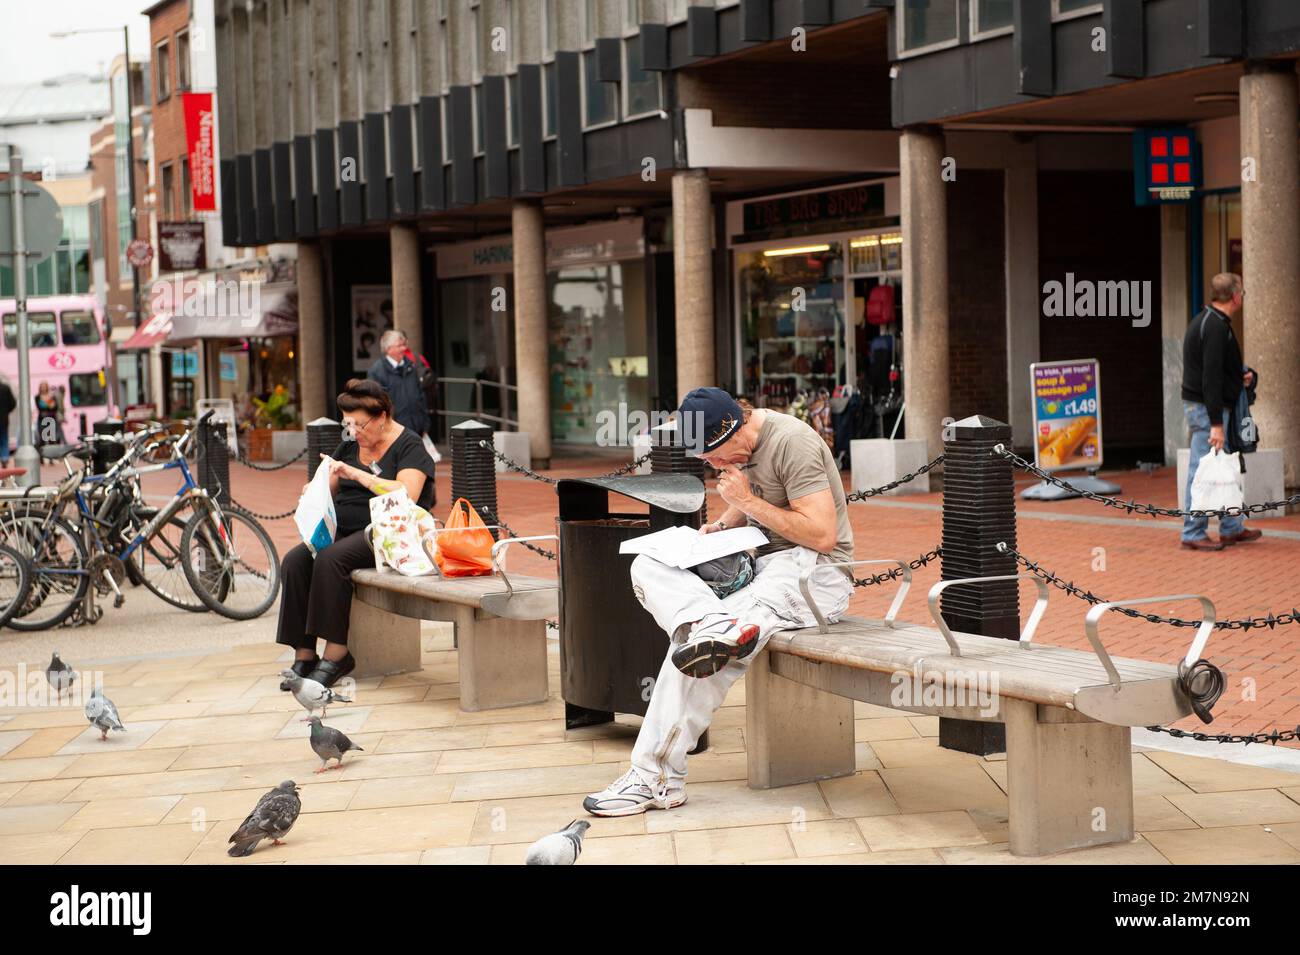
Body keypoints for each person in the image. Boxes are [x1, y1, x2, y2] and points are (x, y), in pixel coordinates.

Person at [584, 387, 856, 817]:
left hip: (814, 575)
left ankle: (655, 777)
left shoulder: (793, 443)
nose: (709, 465)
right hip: (763, 570)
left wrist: (746, 500)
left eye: (711, 455)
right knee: (646, 567)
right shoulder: (740, 448)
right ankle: (713, 624)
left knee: (694, 653)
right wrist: (720, 527)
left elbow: (822, 535)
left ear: (732, 428)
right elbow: (758, 507)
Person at [276, 379, 437, 689]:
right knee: (296, 560)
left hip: (387, 530)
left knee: (330, 559)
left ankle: (337, 654)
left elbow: (407, 494)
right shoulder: (350, 444)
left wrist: (356, 474)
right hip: (344, 527)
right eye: (348, 423)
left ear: (382, 417)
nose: (354, 432)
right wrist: (318, 488)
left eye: (360, 424)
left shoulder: (409, 445)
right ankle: (305, 652)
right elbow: (329, 482)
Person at [1180, 271, 1262, 552]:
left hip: (1208, 406)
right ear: (1235, 296)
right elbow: (1210, 377)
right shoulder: (1216, 327)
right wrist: (1215, 422)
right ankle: (1193, 530)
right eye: (1243, 293)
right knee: (1202, 470)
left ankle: (1231, 527)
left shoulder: (1210, 322)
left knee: (1225, 467)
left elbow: (1216, 370)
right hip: (1208, 410)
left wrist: (1240, 375)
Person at [367, 329, 430, 437]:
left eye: (404, 345)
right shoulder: (376, 372)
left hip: (416, 429)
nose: (404, 348)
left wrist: (425, 424)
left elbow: (421, 396)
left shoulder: (411, 367)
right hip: (393, 432)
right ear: (389, 349)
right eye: (399, 346)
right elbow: (376, 403)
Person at [34, 381, 62, 448]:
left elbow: (55, 407)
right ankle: (42, 454)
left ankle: (51, 454)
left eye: (44, 387)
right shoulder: (37, 397)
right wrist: (49, 403)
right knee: (43, 438)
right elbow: (40, 407)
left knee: (52, 438)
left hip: (51, 418)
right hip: (42, 419)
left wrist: (46, 404)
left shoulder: (52, 396)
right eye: (42, 387)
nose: (43, 388)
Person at [0, 376, 14, 465]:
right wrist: (6, 411)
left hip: (3, 418)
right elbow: (13, 403)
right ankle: (4, 458)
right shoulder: (6, 388)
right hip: (3, 419)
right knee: (4, 439)